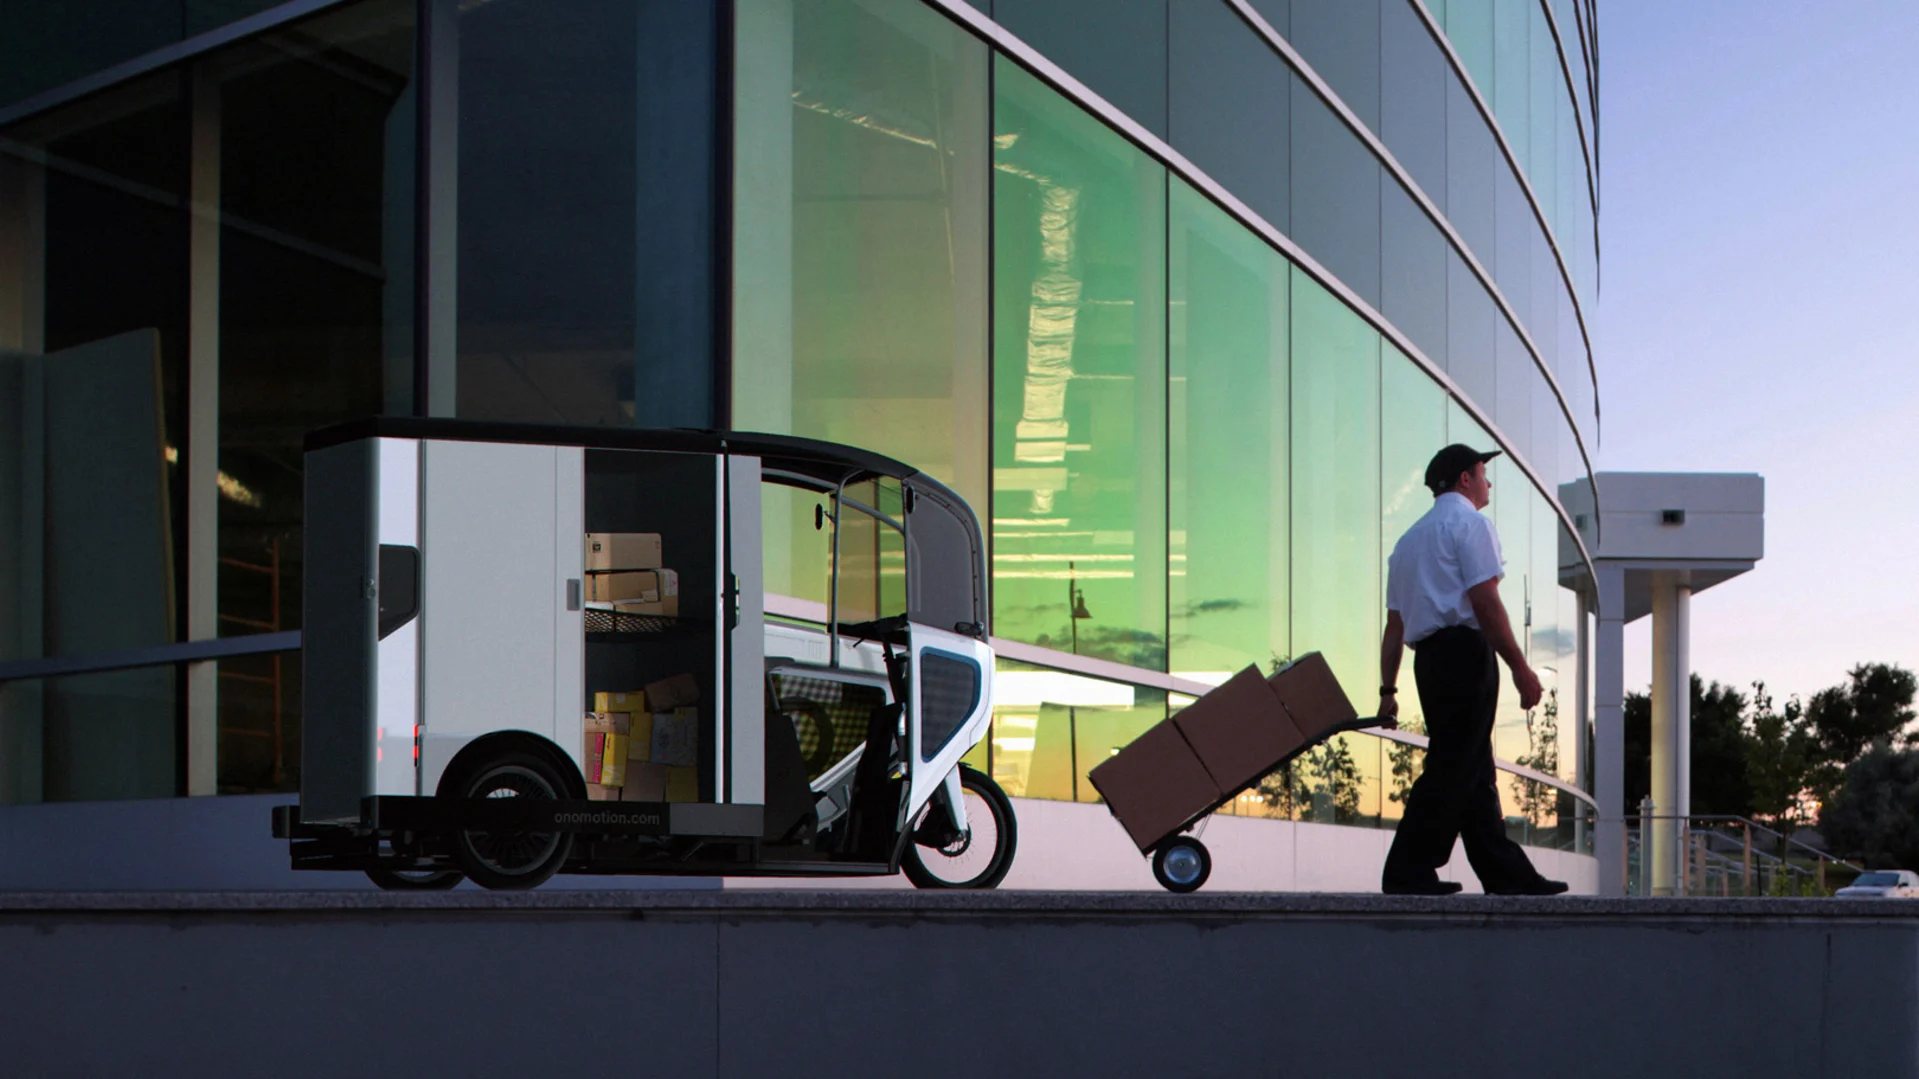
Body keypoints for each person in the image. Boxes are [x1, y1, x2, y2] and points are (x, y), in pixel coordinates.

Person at [1376, 444, 1568, 897]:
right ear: (1464, 479)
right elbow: (1485, 603)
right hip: (1465, 653)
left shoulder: (1407, 543)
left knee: (1473, 769)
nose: (1488, 483)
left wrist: (1388, 689)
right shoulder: (1471, 525)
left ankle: (1506, 874)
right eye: (1483, 473)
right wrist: (1521, 668)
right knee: (1453, 765)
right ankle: (1407, 870)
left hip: (1429, 661)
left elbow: (1394, 626)